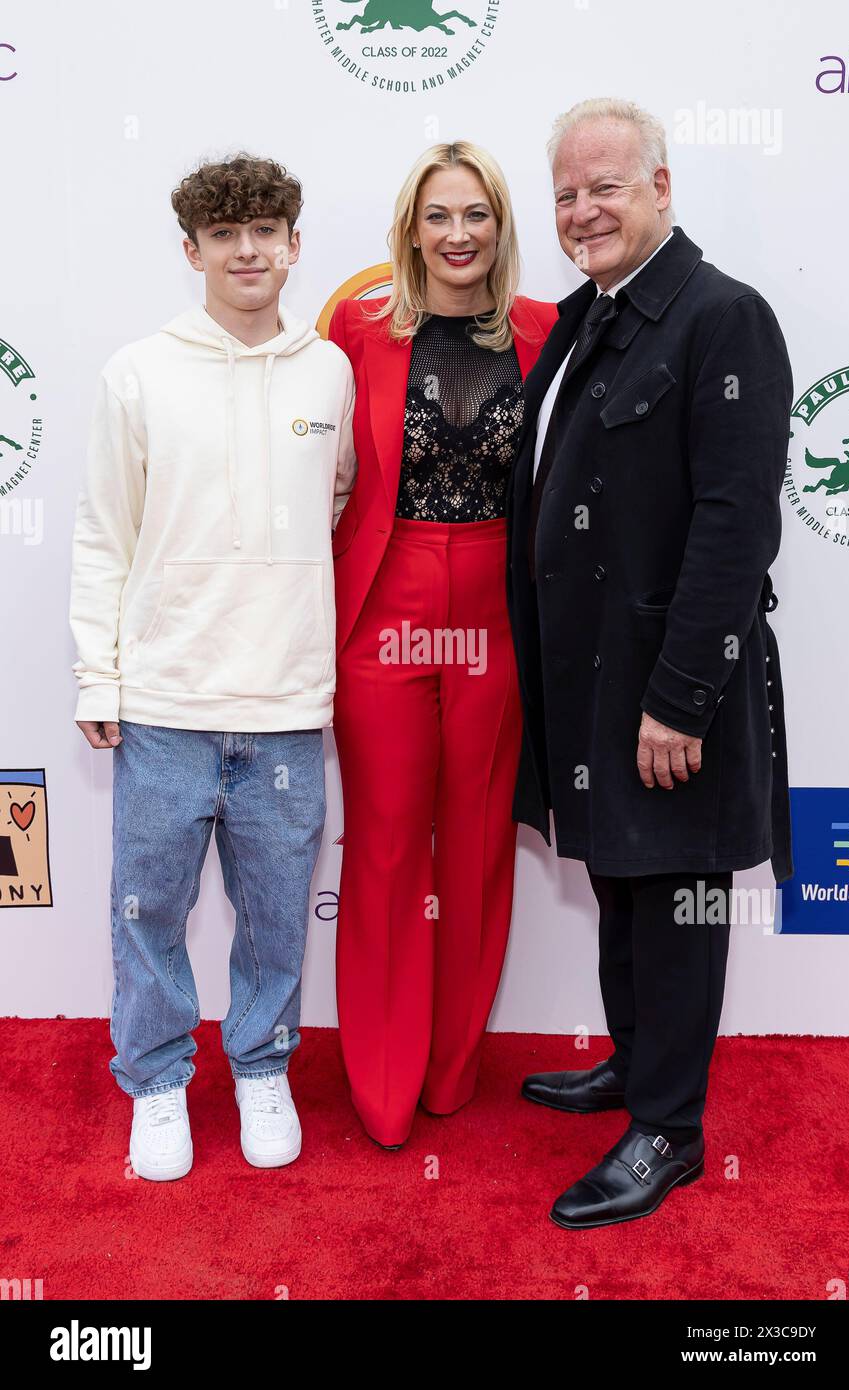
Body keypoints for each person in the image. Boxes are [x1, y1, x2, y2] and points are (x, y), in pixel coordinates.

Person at [506, 98, 793, 1228]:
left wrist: (679, 699)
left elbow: (734, 525)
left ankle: (669, 1132)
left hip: (674, 688)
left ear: (661, 189)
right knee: (624, 886)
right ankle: (635, 1070)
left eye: (605, 188)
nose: (583, 211)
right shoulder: (591, 317)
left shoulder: (722, 319)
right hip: (593, 680)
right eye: (567, 193)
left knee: (673, 900)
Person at [69, 153, 356, 1181]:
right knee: (147, 909)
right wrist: (97, 677)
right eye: (226, 235)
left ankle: (261, 1068)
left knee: (276, 913)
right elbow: (106, 532)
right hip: (164, 702)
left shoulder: (329, 370)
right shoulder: (137, 371)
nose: (249, 251)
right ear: (191, 250)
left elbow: (335, 505)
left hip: (284, 704)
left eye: (267, 232)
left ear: (291, 244)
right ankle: (153, 1082)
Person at [328, 142, 558, 1149]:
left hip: (499, 612)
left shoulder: (548, 331)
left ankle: (451, 1066)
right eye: (439, 215)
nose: (458, 233)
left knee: (474, 847)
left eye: (476, 215)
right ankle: (381, 1079)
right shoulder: (357, 329)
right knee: (381, 844)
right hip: (385, 604)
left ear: (500, 228)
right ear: (409, 229)